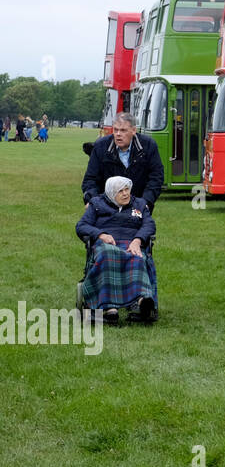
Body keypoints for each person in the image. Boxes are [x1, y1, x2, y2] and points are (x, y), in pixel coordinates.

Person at [75, 176, 158, 323]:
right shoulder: (97, 204)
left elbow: (149, 225)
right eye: (120, 191)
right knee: (107, 255)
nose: (125, 193)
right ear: (111, 193)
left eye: (127, 189)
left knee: (137, 257)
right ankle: (109, 308)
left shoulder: (139, 204)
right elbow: (81, 226)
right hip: (107, 245)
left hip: (131, 243)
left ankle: (142, 303)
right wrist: (100, 234)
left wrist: (137, 240)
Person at [82, 112, 165, 211]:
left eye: (123, 130)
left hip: (139, 206)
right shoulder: (100, 147)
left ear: (134, 130)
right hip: (106, 207)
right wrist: (92, 201)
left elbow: (156, 177)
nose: (118, 134)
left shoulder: (148, 146)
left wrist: (146, 202)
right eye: (115, 130)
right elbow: (90, 179)